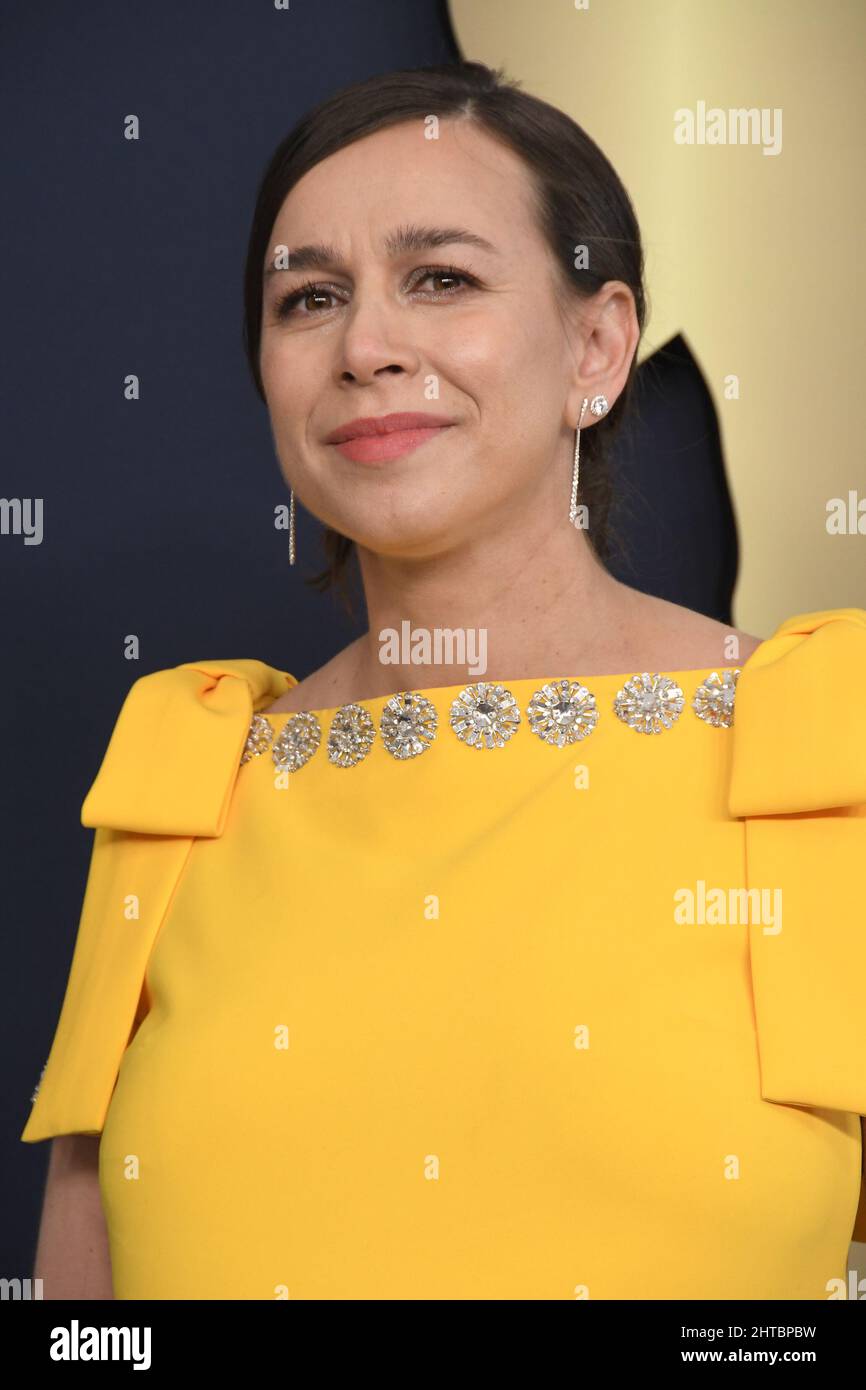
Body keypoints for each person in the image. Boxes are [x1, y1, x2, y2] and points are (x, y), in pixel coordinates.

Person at [22, 61, 866, 1300]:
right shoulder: (181, 778)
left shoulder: (825, 745)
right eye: (309, 298)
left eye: (441, 279)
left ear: (597, 343)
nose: (366, 345)